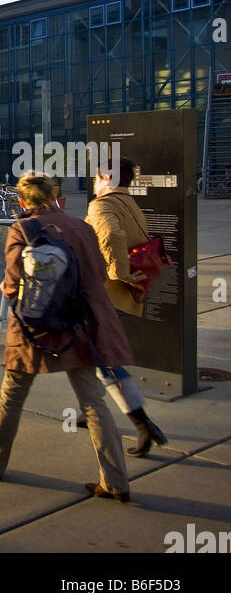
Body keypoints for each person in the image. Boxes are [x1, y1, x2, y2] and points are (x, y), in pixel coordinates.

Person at [0, 172, 133, 501]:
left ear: (24, 201)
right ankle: (115, 481)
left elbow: (12, 284)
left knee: (12, 396)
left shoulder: (23, 229)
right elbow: (98, 275)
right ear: (55, 196)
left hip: (33, 330)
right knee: (93, 402)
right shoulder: (82, 228)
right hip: (78, 327)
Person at [85, 159, 167, 457]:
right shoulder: (129, 203)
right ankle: (89, 408)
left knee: (103, 360)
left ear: (106, 177)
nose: (94, 182)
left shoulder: (102, 205)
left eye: (96, 177)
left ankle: (142, 423)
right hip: (124, 296)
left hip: (109, 294)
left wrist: (117, 272)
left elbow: (111, 236)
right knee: (88, 354)